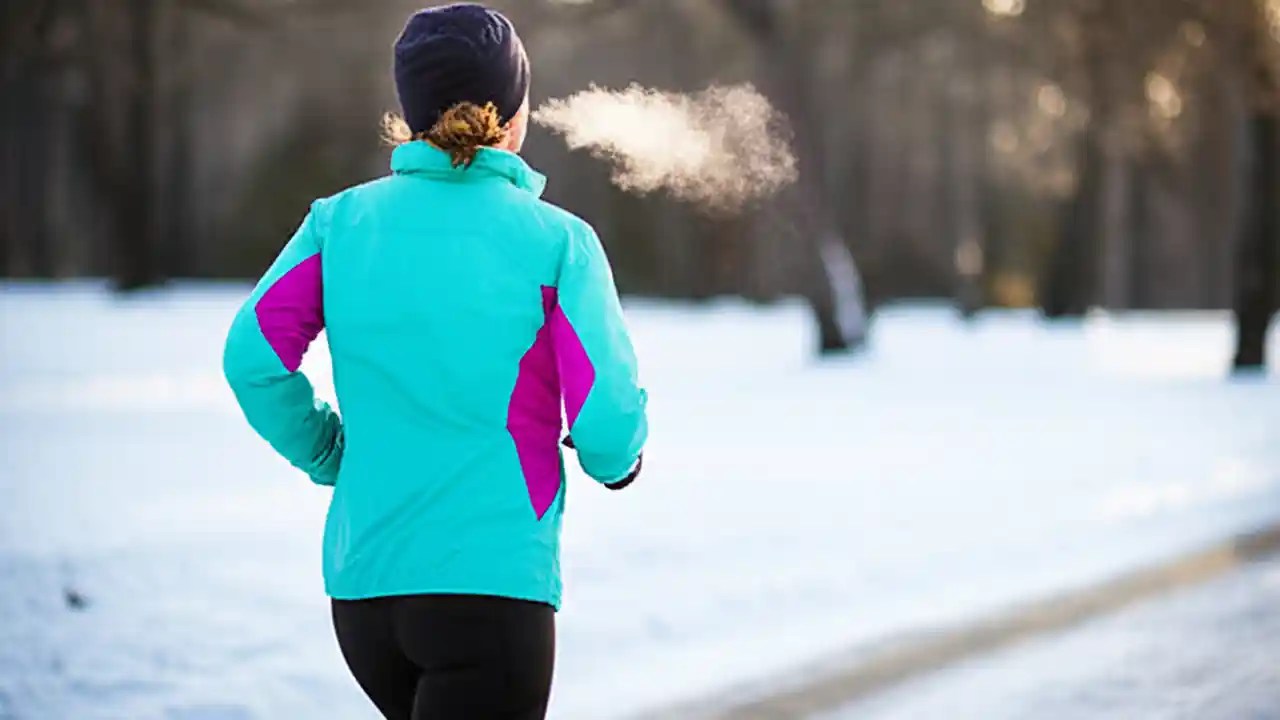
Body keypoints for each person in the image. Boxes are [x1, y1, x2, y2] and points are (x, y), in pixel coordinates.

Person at [221, 5, 648, 718]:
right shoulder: (557, 242)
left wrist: (330, 450)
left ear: (410, 112)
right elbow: (605, 407)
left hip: (365, 602)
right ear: (513, 114)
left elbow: (252, 358)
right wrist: (616, 462)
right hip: (491, 596)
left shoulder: (340, 224)